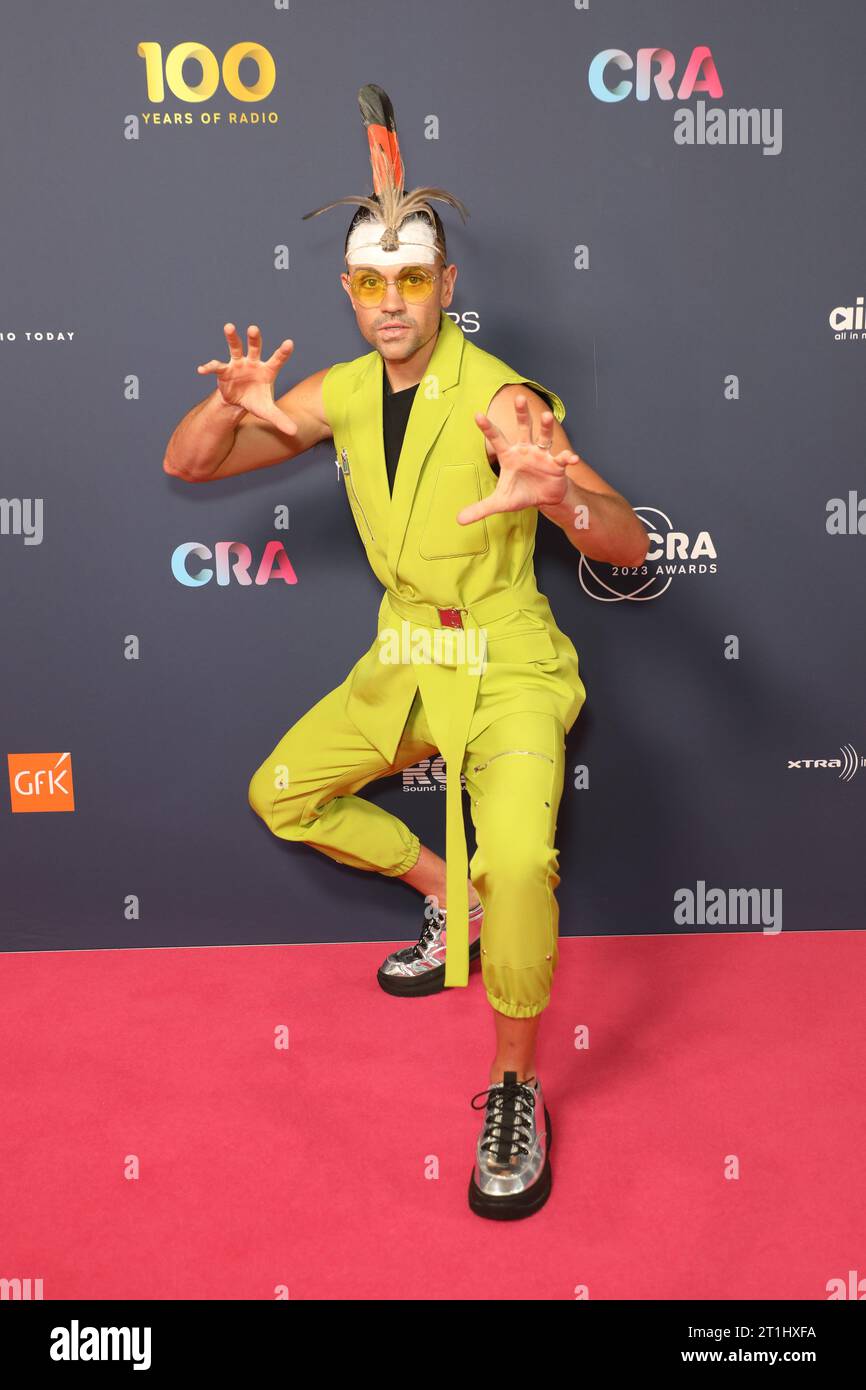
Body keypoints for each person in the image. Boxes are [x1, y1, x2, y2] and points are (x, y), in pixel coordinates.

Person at [163, 85, 648, 1220]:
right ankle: (446, 899)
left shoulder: (503, 398)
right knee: (280, 791)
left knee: (521, 861)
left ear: (446, 285)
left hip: (509, 666)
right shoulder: (332, 394)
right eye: (371, 281)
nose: (392, 301)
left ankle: (513, 1082)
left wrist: (560, 493)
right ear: (348, 290)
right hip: (401, 663)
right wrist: (235, 408)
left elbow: (622, 541)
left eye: (413, 278)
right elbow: (190, 466)